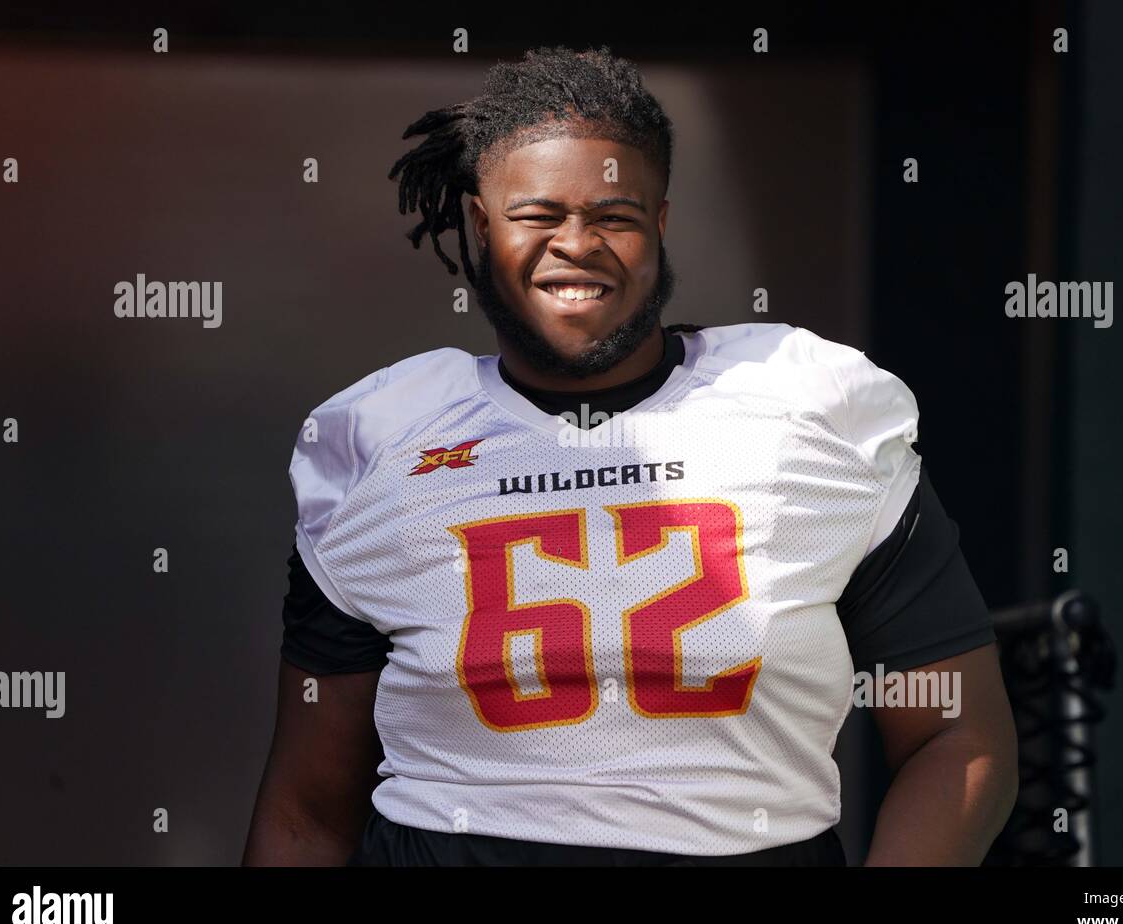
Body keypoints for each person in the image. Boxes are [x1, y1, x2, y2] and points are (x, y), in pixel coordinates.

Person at [243, 46, 1017, 867]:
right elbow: (306, 812)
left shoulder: (811, 414)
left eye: (614, 214)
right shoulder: (380, 445)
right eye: (537, 215)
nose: (576, 244)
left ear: (660, 224)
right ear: (480, 225)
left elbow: (958, 739)